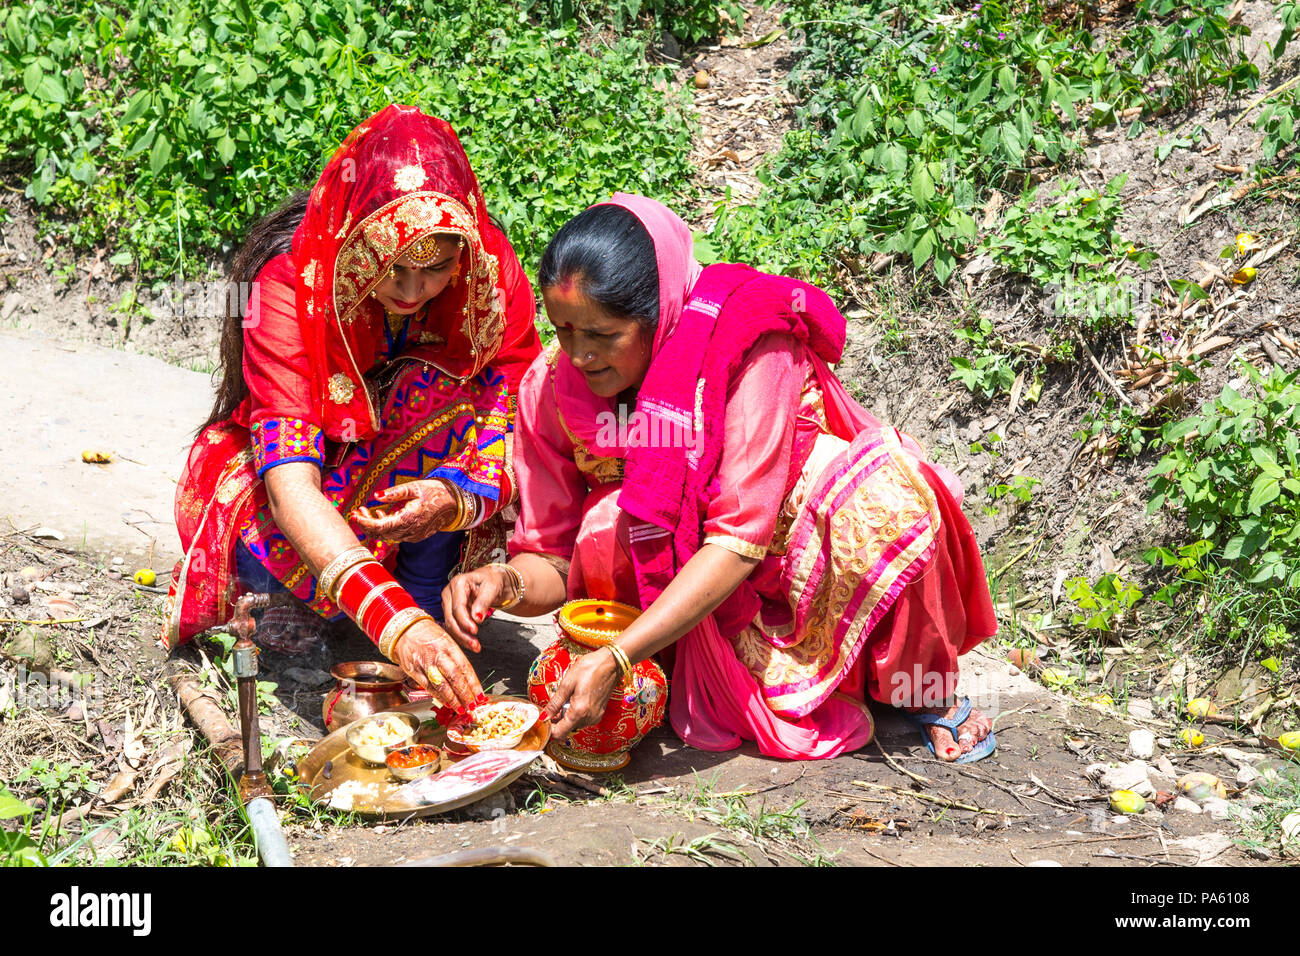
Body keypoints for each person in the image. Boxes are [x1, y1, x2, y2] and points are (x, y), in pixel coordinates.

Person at [442, 194, 998, 760]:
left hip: (779, 555)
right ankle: (665, 665)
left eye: (604, 336)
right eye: (563, 331)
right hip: (666, 572)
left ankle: (913, 689)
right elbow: (553, 555)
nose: (581, 356)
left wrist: (617, 656)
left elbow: (739, 536)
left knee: (885, 500)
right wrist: (506, 582)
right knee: (614, 518)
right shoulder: (554, 387)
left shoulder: (745, 342)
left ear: (658, 312)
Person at [163, 105, 541, 712]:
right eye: (391, 268)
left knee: (461, 400)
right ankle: (329, 612)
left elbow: (522, 398)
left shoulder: (485, 271)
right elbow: (290, 482)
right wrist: (394, 621)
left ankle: (424, 589)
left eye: (437, 269)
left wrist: (456, 496)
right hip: (319, 472)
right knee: (245, 508)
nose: (414, 292)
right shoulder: (287, 285)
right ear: (357, 238)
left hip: (427, 478)